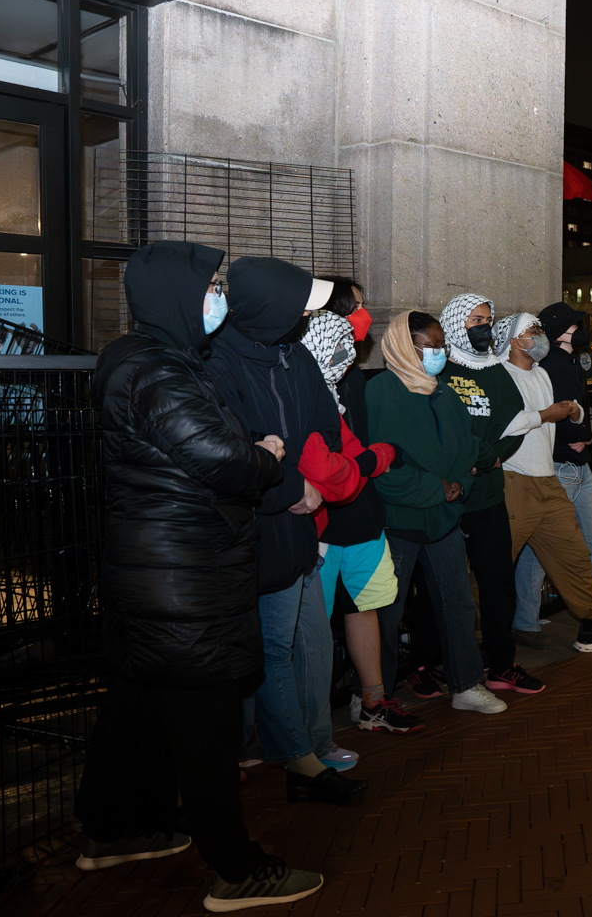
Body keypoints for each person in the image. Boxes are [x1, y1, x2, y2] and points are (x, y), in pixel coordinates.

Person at [78, 242, 322, 911]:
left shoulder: (146, 360)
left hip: (155, 565)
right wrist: (265, 455)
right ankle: (237, 870)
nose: (219, 297)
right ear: (175, 295)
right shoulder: (158, 369)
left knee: (136, 705)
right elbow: (217, 458)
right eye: (212, 286)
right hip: (185, 573)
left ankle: (117, 828)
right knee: (207, 725)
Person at [205, 258, 368, 806]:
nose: (305, 317)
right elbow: (233, 452)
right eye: (297, 306)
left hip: (300, 525)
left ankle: (301, 749)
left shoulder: (293, 354)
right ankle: (297, 759)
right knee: (273, 646)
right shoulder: (218, 360)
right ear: (270, 306)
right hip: (258, 527)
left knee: (303, 642)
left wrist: (311, 480)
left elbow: (323, 428)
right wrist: (291, 487)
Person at [368, 311, 506, 714]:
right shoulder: (379, 392)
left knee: (458, 603)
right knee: (388, 612)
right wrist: (435, 488)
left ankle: (466, 684)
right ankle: (376, 695)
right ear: (403, 345)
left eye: (442, 345)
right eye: (430, 346)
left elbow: (466, 446)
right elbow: (380, 465)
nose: (439, 353)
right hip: (400, 520)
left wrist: (460, 482)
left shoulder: (443, 391)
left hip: (445, 517)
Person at [300, 299, 424, 736]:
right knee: (311, 627)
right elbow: (333, 467)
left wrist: (370, 460)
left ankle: (372, 701)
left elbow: (353, 452)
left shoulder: (339, 384)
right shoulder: (301, 391)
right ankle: (308, 729)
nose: (348, 352)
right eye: (338, 343)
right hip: (319, 527)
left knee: (365, 606)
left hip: (361, 518)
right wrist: (376, 459)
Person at [494, 312, 592, 652]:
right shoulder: (500, 377)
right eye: (533, 331)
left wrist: (574, 412)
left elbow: (571, 410)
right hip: (516, 480)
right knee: (496, 565)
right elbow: (505, 425)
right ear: (514, 341)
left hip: (548, 480)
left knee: (575, 556)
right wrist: (549, 415)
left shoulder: (542, 374)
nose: (540, 337)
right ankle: (489, 642)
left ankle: (591, 629)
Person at [431, 294, 549, 692]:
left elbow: (515, 423)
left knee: (498, 582)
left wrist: (491, 458)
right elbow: (442, 429)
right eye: (474, 320)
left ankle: (501, 664)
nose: (484, 326)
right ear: (454, 324)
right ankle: (431, 663)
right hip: (447, 493)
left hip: (487, 493)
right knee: (440, 586)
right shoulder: (440, 369)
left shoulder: (496, 370)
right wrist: (467, 461)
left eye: (487, 319)